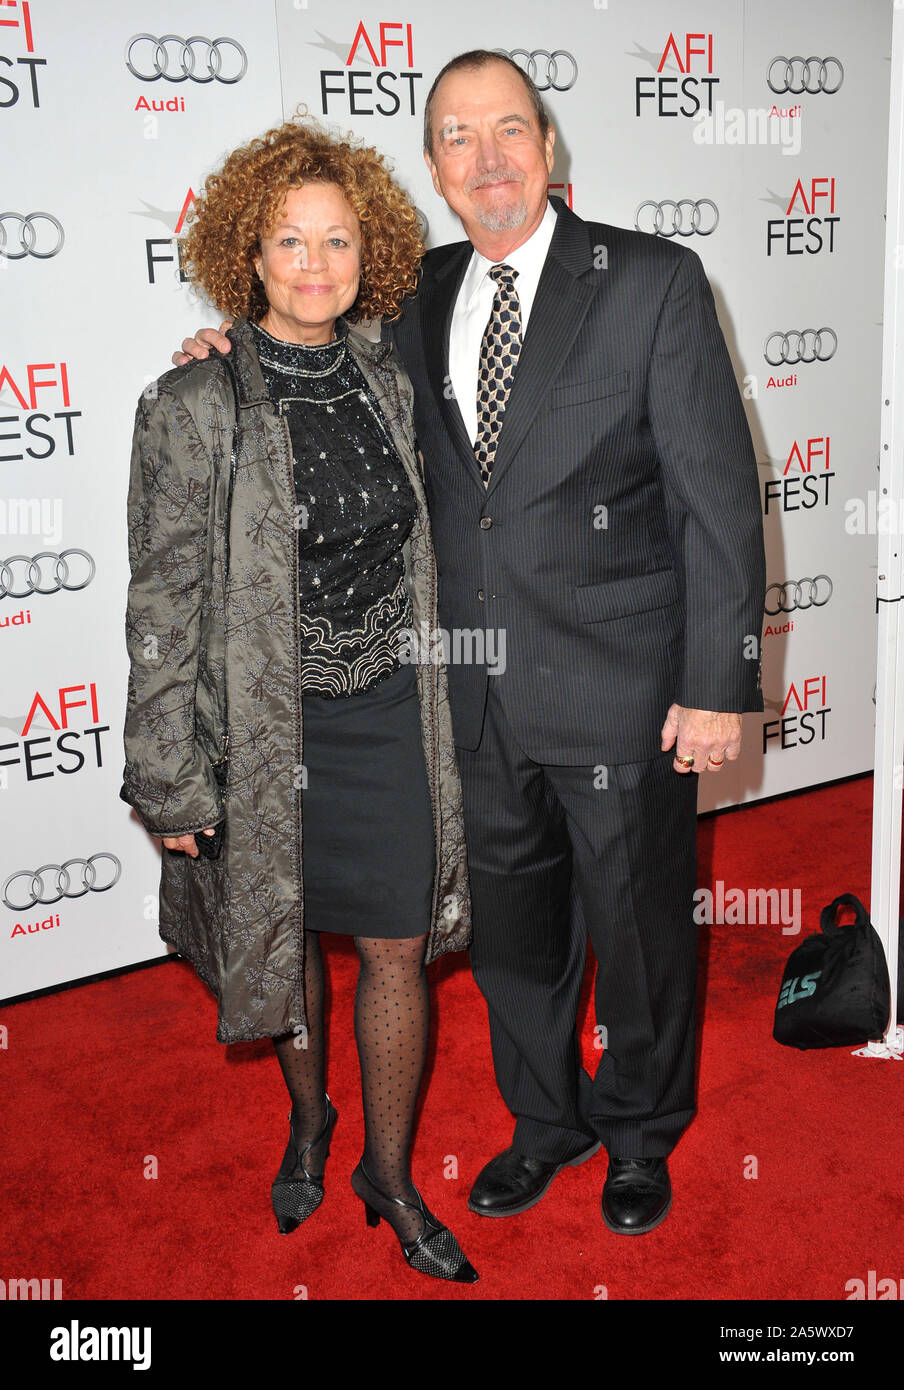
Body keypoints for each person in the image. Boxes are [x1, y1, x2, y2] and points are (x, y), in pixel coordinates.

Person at [173, 51, 766, 1237]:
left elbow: (719, 501)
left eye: (508, 130)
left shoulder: (652, 282)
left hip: (623, 694)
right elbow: (306, 349)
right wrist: (222, 355)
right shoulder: (410, 299)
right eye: (457, 136)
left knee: (641, 932)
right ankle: (543, 1125)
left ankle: (639, 1132)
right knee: (512, 941)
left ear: (546, 146)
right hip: (465, 699)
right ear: (435, 168)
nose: (487, 158)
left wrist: (717, 686)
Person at [121, 114, 478, 1283]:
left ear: (366, 247)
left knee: (392, 945)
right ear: (248, 254)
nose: (315, 264)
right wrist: (168, 772)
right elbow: (163, 600)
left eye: (335, 240)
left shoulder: (387, 362)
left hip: (384, 706)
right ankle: (310, 1120)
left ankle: (386, 1168)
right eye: (288, 241)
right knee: (283, 941)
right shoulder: (192, 404)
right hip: (266, 724)